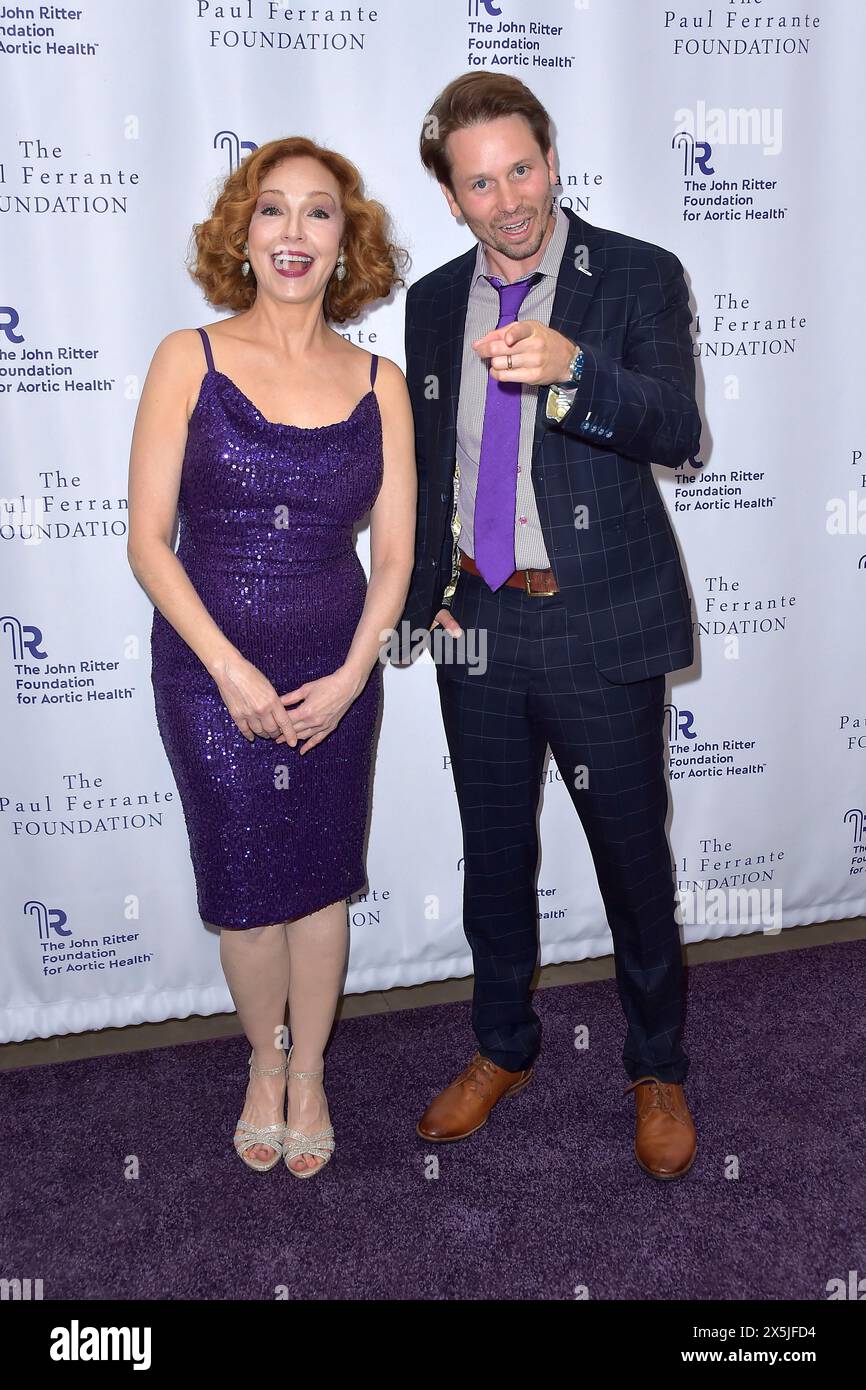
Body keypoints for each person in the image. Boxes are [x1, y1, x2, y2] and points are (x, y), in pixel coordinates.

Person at [400, 72, 702, 1179]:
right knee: (492, 857)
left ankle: (655, 1063)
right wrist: (424, 583)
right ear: (452, 198)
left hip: (596, 620)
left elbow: (678, 430)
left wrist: (576, 370)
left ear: (551, 158)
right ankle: (501, 1046)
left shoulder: (633, 273)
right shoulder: (434, 303)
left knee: (629, 860)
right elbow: (435, 460)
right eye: (479, 182)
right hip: (476, 620)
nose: (508, 198)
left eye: (519, 168)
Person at [127, 137, 415, 1177]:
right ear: (241, 235)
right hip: (208, 673)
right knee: (246, 887)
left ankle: (312, 1074)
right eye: (272, 211)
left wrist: (350, 673)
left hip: (336, 669)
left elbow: (394, 558)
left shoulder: (379, 382)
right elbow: (147, 541)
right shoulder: (186, 358)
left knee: (321, 885)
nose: (294, 233)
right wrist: (227, 670)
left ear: (347, 243)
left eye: (318, 214)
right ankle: (264, 1059)